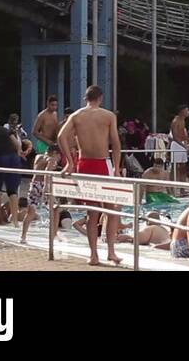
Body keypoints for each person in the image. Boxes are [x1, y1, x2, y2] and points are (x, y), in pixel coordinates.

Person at [57, 85, 122, 266]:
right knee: (112, 209)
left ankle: (94, 255)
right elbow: (116, 144)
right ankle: (110, 252)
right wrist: (116, 168)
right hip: (102, 162)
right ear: (100, 98)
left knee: (92, 213)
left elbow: (61, 137)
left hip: (83, 163)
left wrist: (70, 162)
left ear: (86, 98)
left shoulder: (76, 116)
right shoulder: (108, 116)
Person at [20, 145, 59, 243]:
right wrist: (46, 187)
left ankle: (23, 237)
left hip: (33, 185)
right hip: (42, 185)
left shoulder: (38, 157)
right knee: (55, 209)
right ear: (54, 153)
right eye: (58, 155)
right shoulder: (51, 159)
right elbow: (47, 173)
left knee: (30, 213)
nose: (59, 158)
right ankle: (53, 235)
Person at [170, 105, 189, 191]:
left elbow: (182, 135)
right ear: (182, 111)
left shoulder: (182, 120)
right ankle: (171, 189)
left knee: (183, 168)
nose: (188, 112)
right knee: (175, 168)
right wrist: (185, 146)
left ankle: (182, 190)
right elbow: (175, 137)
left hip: (182, 144)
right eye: (187, 110)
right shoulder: (175, 121)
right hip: (177, 145)